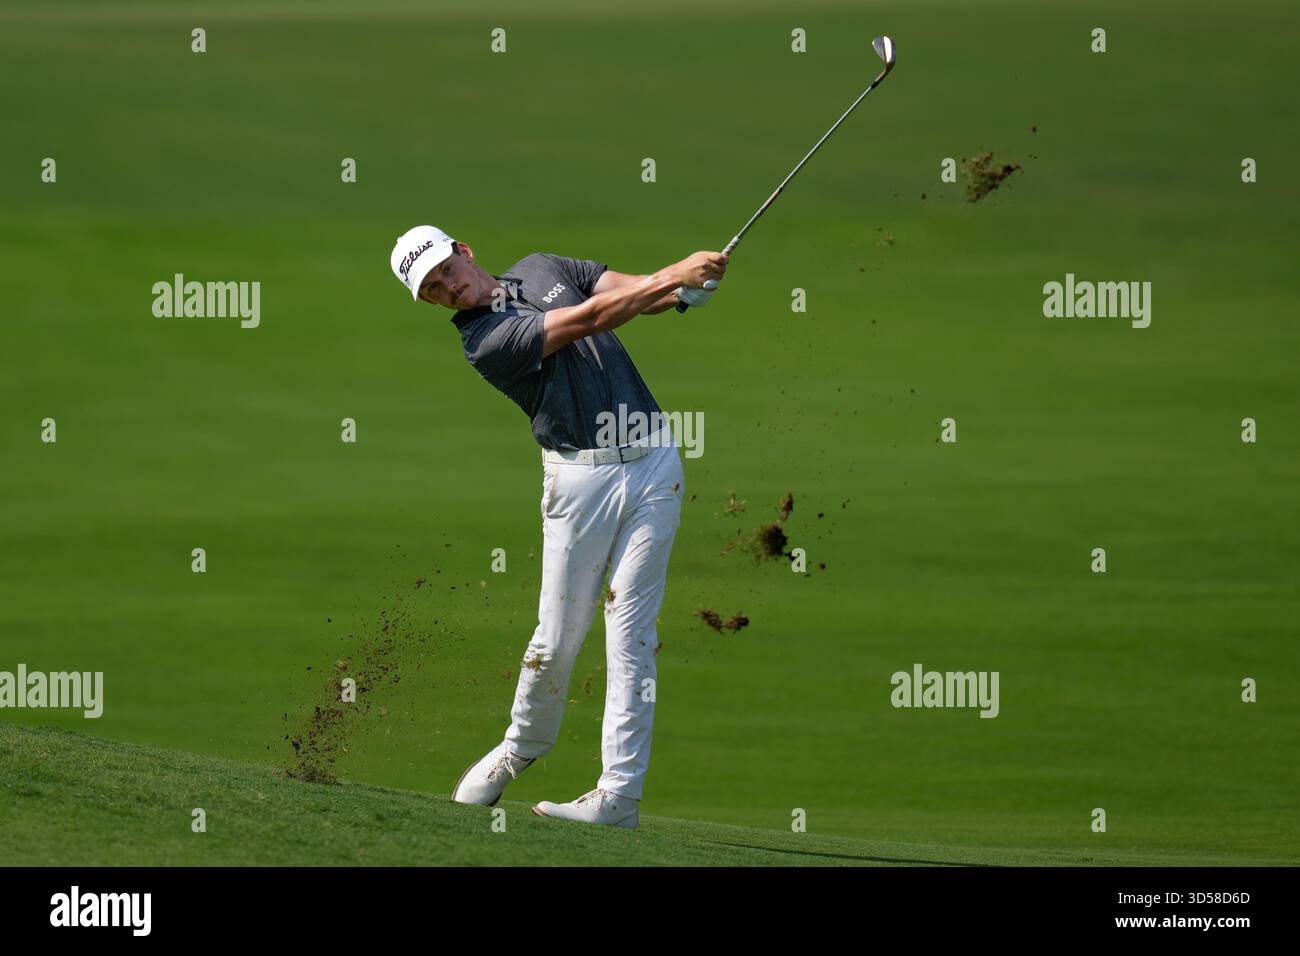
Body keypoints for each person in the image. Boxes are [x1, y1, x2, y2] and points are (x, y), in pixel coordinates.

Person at [389, 225, 727, 828]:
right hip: (580, 482)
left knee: (631, 633)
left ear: (463, 251)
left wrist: (684, 293)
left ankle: (618, 798)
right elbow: (592, 319)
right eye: (433, 290)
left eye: (447, 270)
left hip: (654, 464)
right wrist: (676, 273)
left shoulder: (545, 266)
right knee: (555, 640)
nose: (449, 289)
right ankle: (521, 749)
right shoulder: (485, 340)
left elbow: (629, 293)